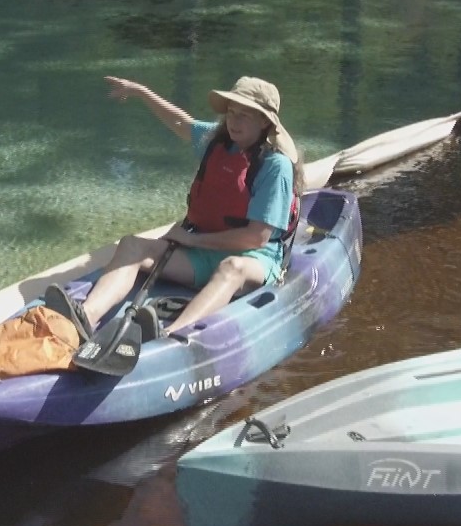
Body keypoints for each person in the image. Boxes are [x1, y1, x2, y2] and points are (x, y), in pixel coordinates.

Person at [55, 75, 301, 339]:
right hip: (201, 252)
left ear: (265, 122)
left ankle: (172, 335)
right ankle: (86, 318)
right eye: (231, 112)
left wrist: (191, 238)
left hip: (254, 259)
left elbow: (256, 238)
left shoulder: (276, 166)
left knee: (231, 268)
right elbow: (179, 122)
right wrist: (141, 92)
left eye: (244, 115)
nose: (233, 121)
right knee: (131, 244)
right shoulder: (218, 143)